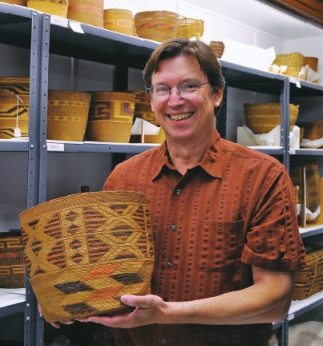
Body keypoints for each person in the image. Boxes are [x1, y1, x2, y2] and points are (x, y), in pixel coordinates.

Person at [48, 38, 307, 346]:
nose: (175, 100)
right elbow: (103, 273)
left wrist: (166, 313)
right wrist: (63, 293)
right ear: (151, 98)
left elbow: (274, 300)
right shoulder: (124, 177)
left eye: (189, 86)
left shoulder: (263, 177)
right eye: (162, 89)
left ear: (217, 94)